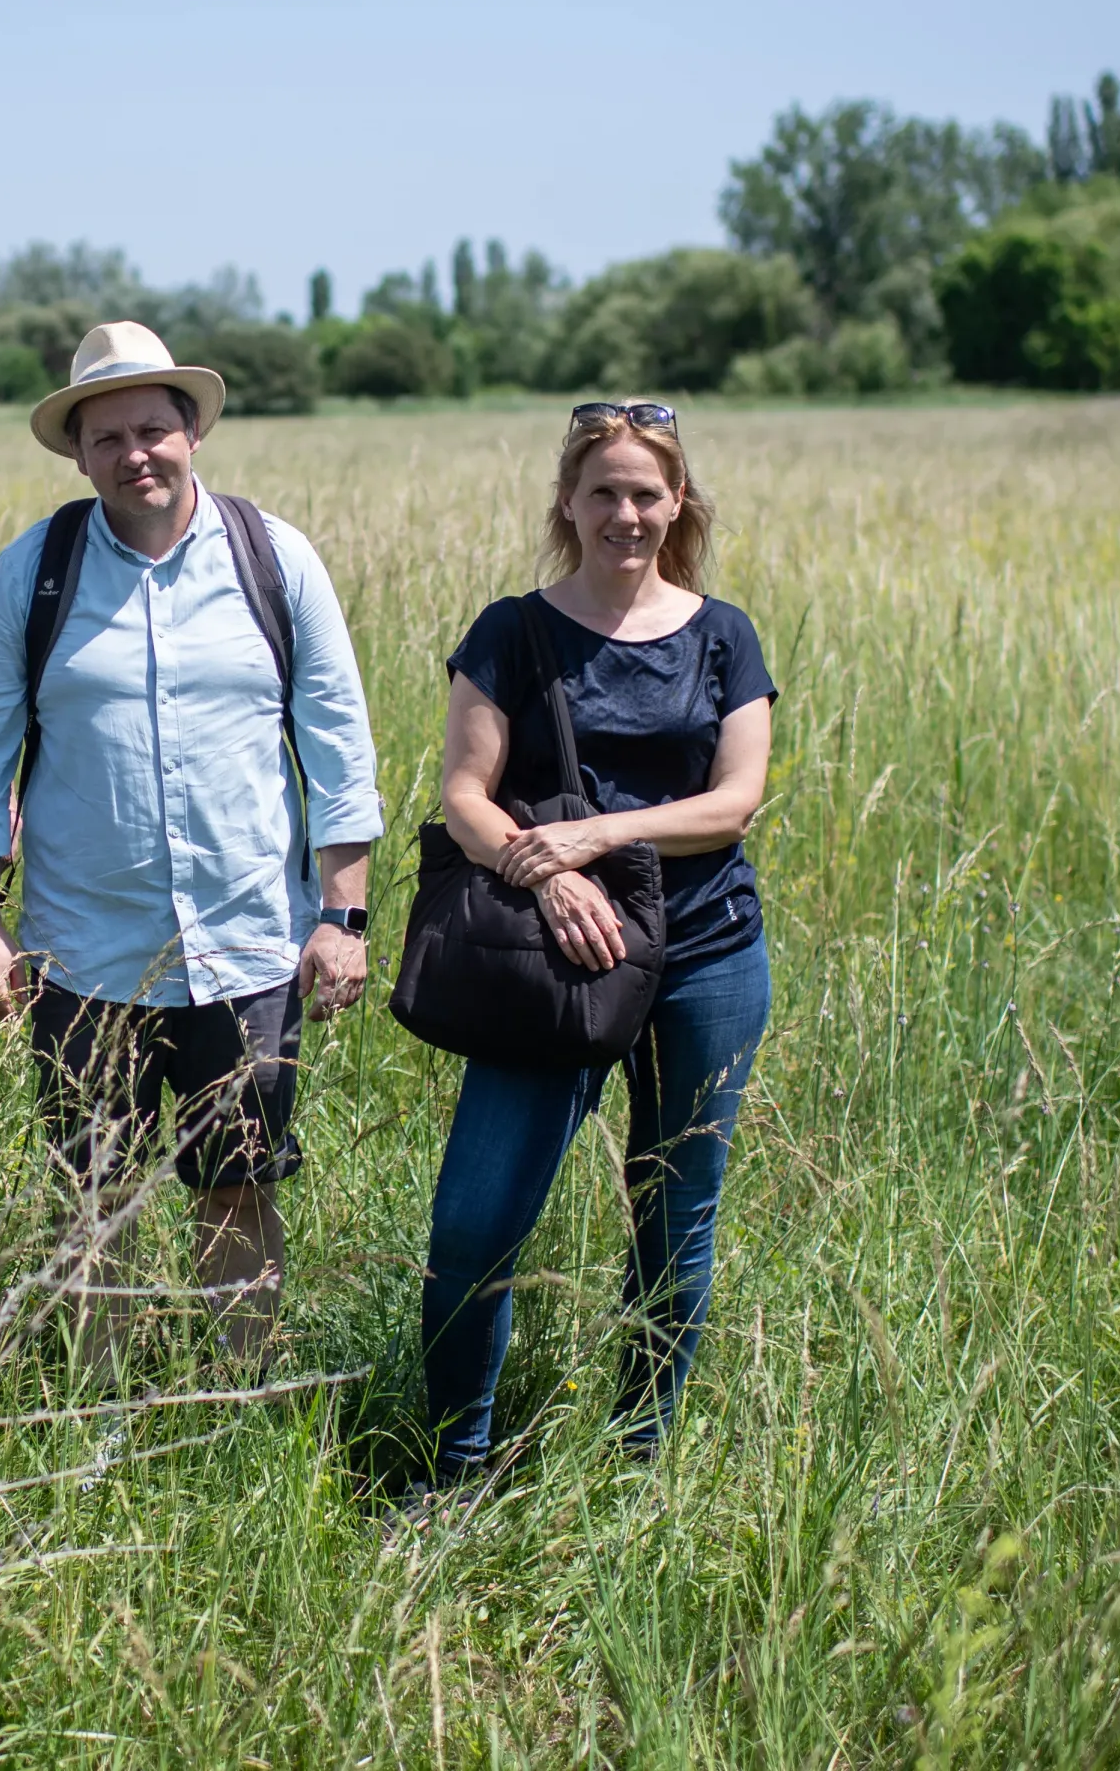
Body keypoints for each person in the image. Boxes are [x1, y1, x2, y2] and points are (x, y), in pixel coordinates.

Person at [0, 322, 383, 1377]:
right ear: (80, 454)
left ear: (193, 432)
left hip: (248, 944)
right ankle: (101, 1409)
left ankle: (238, 1404)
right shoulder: (36, 572)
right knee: (96, 1188)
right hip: (84, 949)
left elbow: (337, 741)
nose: (136, 453)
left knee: (238, 1184)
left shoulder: (274, 559)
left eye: (155, 428)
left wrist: (343, 915)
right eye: (109, 437)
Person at [414, 399, 775, 1481]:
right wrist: (548, 869)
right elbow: (466, 799)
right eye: (604, 492)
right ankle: (453, 1470)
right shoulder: (512, 630)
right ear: (568, 504)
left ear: (679, 505)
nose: (627, 512)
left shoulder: (724, 634)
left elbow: (736, 802)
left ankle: (636, 1463)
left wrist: (598, 835)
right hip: (552, 959)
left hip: (707, 952)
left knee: (675, 1219)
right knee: (475, 1225)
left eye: (646, 494)